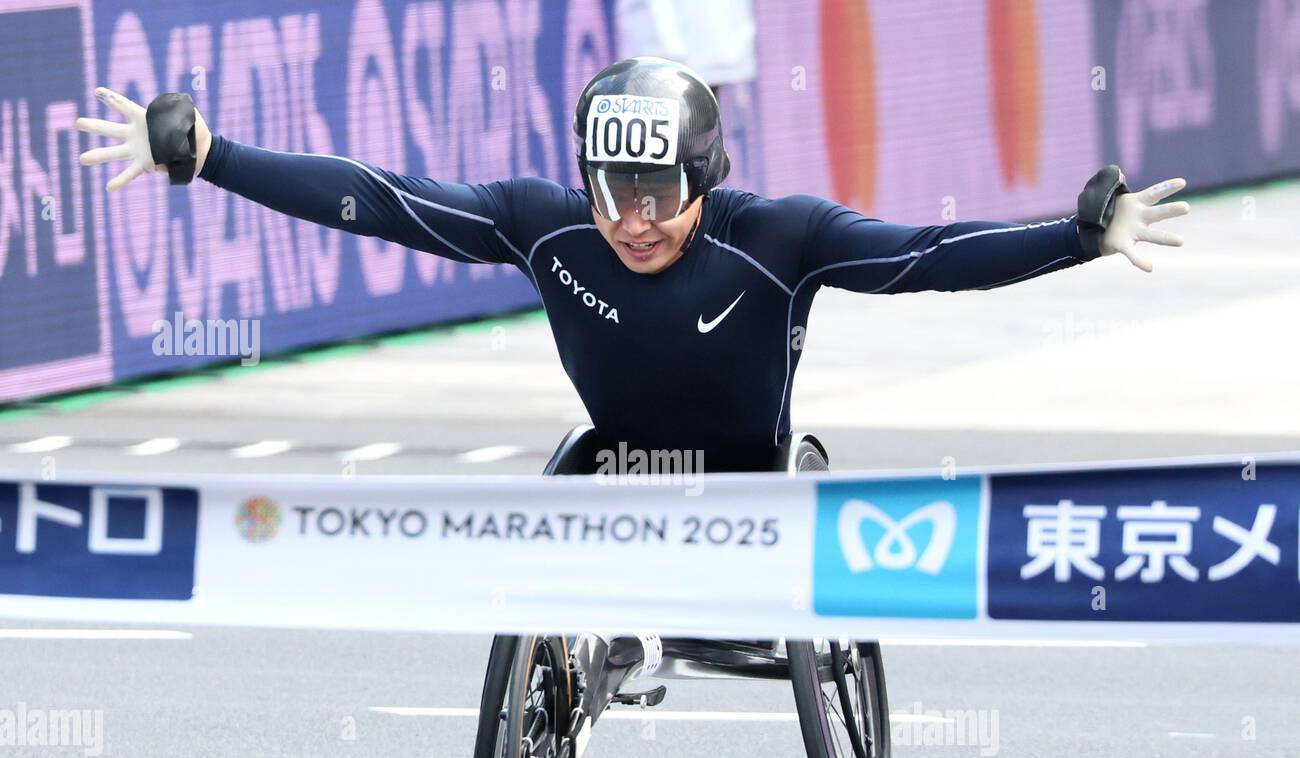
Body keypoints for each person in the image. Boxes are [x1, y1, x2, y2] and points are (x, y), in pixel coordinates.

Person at [77, 56, 1189, 471]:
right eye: (613, 191)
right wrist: (211, 157)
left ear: (706, 179)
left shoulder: (777, 238)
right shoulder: (545, 226)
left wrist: (1075, 236)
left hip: (755, 482)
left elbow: (923, 257)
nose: (634, 221)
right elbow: (380, 199)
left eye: (659, 194)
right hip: (610, 466)